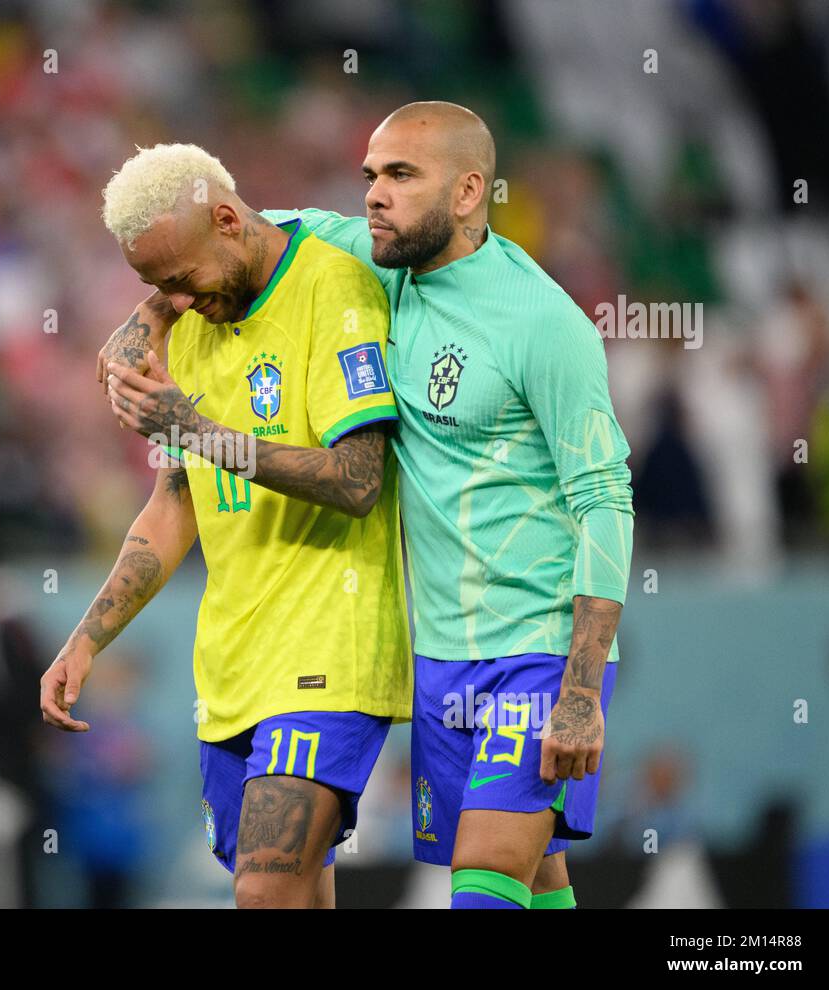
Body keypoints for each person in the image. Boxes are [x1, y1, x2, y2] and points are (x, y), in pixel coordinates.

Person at [101, 104, 635, 910]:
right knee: (536, 875)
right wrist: (144, 315)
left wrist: (583, 689)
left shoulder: (545, 324)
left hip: (541, 644)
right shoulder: (373, 257)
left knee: (485, 881)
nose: (375, 195)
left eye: (400, 176)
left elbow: (604, 496)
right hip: (444, 651)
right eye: (371, 176)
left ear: (467, 193)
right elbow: (235, 230)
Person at [42, 143, 411, 909]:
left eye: (180, 280)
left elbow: (358, 479)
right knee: (299, 897)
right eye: (155, 291)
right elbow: (176, 502)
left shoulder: (334, 290)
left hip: (328, 653)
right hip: (233, 667)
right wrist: (87, 638)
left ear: (226, 221)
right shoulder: (194, 325)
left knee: (263, 892)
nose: (175, 303)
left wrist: (201, 430)